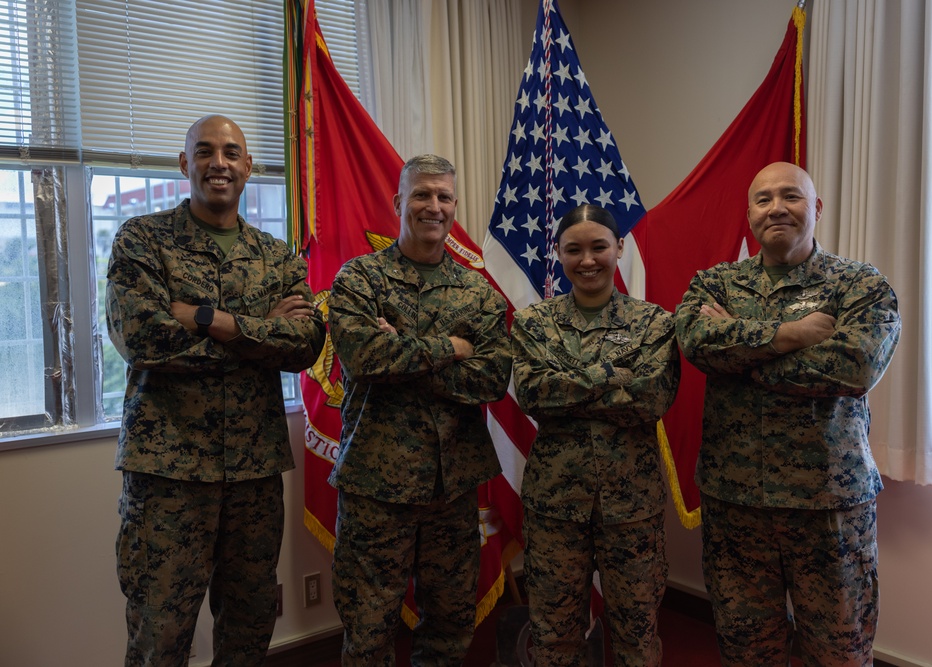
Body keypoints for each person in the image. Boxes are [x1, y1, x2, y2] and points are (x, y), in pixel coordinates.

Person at [105, 114, 326, 666]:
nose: (218, 163)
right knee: (161, 635)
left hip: (253, 475)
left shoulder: (276, 256)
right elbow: (143, 338)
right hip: (167, 475)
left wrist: (212, 319)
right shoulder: (143, 239)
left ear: (248, 167)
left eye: (231, 153)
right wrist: (259, 331)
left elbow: (304, 345)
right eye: (204, 152)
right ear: (185, 164)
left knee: (249, 632)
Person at [673, 162, 901, 666]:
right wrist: (793, 334)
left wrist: (743, 349)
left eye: (792, 196)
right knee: (746, 650)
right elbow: (697, 343)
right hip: (737, 506)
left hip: (829, 507)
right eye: (763, 199)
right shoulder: (714, 284)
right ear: (749, 214)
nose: (777, 207)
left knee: (839, 652)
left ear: (815, 208)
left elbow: (854, 366)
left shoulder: (860, 284)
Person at [325, 154, 512, 666]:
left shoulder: (478, 294)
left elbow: (493, 379)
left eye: (444, 196)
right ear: (398, 202)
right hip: (374, 489)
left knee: (450, 630)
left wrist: (403, 351)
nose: (433, 206)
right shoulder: (359, 280)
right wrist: (453, 347)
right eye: (422, 195)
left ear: (454, 205)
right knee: (368, 634)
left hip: (451, 490)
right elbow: (365, 358)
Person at [510, 204, 680, 667]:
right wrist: (614, 374)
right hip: (555, 508)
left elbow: (652, 399)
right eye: (574, 250)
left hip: (633, 508)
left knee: (637, 640)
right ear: (558, 255)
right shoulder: (532, 324)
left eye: (599, 246)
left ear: (619, 248)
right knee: (554, 639)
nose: (588, 260)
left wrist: (569, 384)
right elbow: (533, 395)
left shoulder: (656, 323)